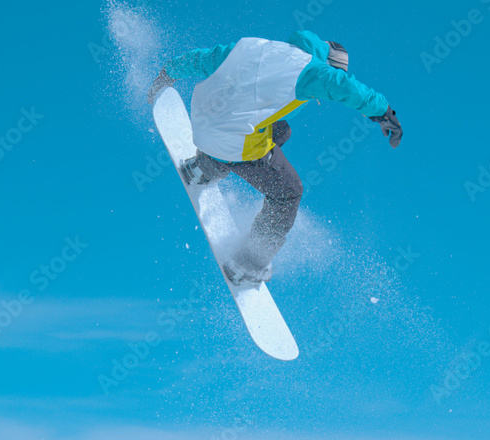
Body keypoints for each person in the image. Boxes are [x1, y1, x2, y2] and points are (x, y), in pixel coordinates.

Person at [148, 30, 402, 285]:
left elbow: (204, 58)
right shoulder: (314, 72)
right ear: (329, 64)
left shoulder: (257, 47)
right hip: (231, 143)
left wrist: (167, 74)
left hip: (201, 123)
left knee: (282, 129)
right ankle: (247, 263)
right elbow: (345, 87)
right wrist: (384, 113)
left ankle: (203, 167)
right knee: (289, 192)